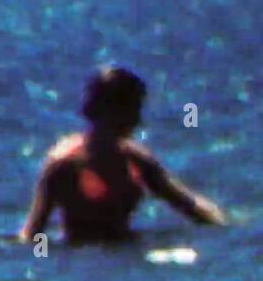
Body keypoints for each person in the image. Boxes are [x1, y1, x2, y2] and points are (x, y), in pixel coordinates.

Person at [19, 66, 226, 243]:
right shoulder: (63, 165)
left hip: (128, 252)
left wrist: (228, 227)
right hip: (80, 259)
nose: (138, 120)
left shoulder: (137, 160)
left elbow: (188, 206)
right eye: (134, 109)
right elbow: (33, 233)